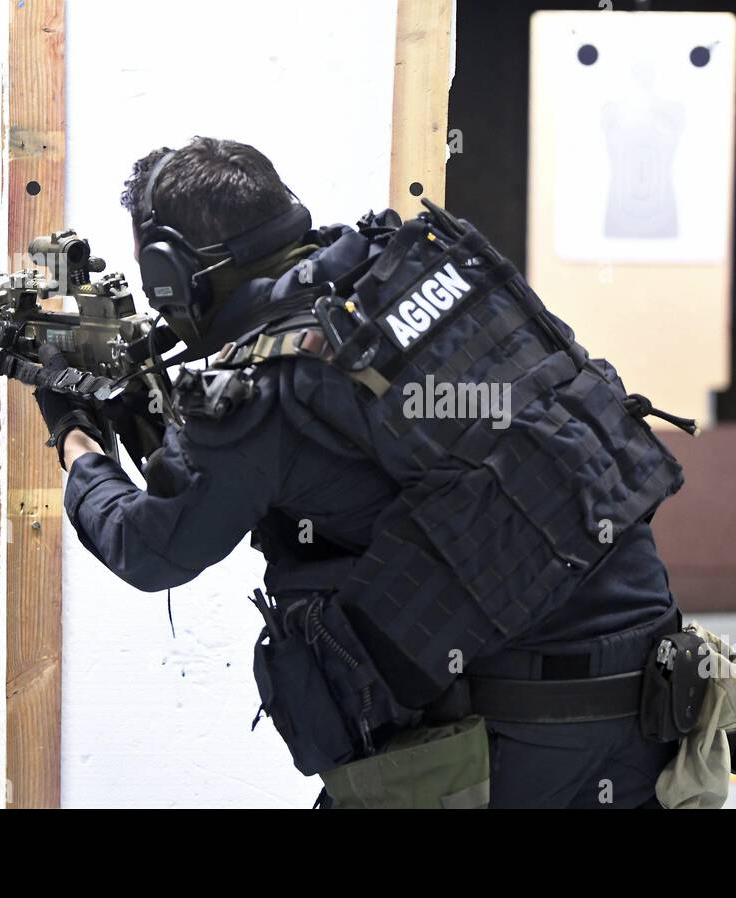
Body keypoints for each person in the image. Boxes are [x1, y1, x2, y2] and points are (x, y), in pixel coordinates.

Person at [35, 136, 692, 808]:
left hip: (509, 732)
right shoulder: (438, 267)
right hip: (660, 693)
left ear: (168, 268)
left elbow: (151, 551)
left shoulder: (262, 388)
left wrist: (76, 434)